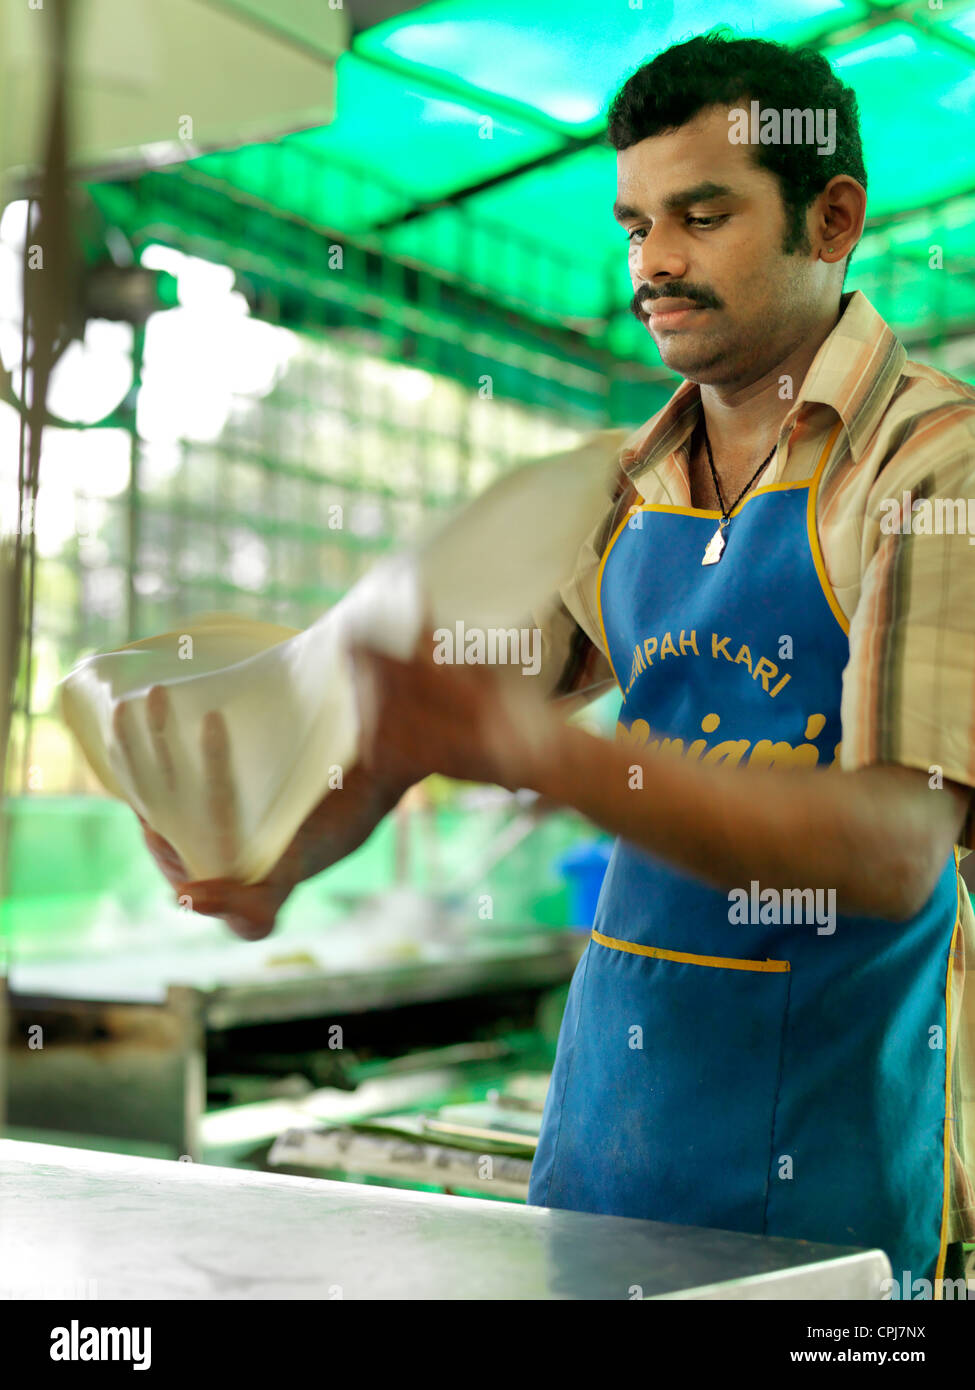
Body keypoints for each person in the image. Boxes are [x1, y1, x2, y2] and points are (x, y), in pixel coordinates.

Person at [143, 33, 975, 1294]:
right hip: (601, 1159)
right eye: (636, 225)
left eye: (703, 216)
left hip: (826, 1199)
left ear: (834, 216)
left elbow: (891, 843)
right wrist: (272, 858)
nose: (656, 265)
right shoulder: (618, 486)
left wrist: (547, 757)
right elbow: (424, 719)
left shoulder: (933, 466)